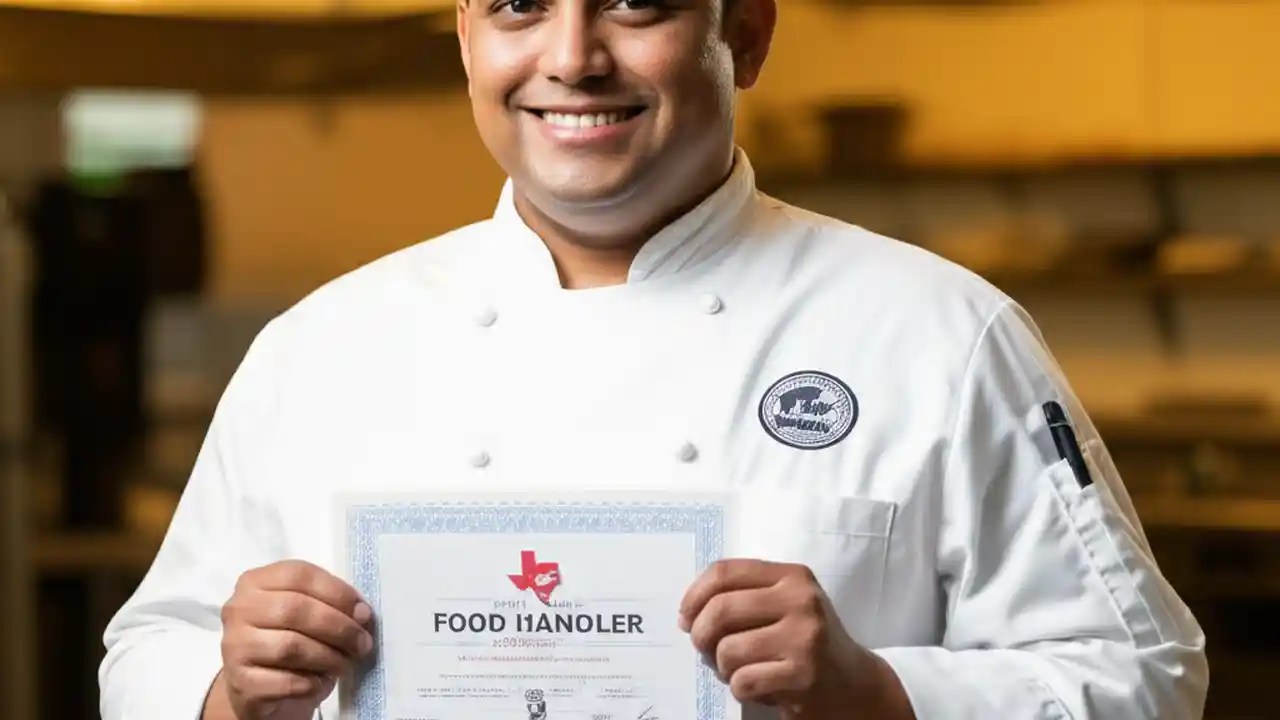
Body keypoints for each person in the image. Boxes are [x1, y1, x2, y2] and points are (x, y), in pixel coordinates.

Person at [99, 0, 1209, 718]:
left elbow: (1144, 679)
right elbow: (145, 652)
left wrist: (877, 692)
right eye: (519, 8)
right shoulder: (322, 349)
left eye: (637, 5)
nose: (572, 59)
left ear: (750, 32)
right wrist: (220, 693)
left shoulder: (936, 332)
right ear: (467, 39)